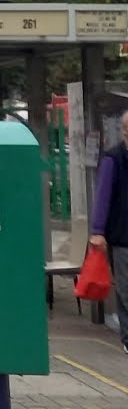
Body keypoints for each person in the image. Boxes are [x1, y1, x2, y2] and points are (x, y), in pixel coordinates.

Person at [89, 110, 128, 355]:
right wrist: (97, 231)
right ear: (124, 131)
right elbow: (102, 197)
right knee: (126, 288)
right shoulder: (113, 160)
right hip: (122, 236)